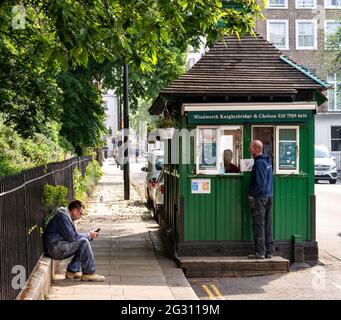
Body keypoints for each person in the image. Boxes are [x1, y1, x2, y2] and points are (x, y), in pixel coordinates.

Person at [43, 200, 105, 282]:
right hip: (54, 248)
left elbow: (74, 236)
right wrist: (88, 235)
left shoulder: (65, 217)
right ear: (75, 211)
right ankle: (89, 273)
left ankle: (72, 270)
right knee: (83, 242)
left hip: (56, 246)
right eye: (81, 213)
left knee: (82, 242)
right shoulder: (62, 218)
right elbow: (72, 237)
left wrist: (88, 235)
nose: (81, 216)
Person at [248, 140, 274, 259]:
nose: (249, 150)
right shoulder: (267, 161)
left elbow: (260, 183)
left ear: (256, 149)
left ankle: (260, 252)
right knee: (267, 224)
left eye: (250, 148)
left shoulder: (258, 163)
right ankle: (269, 251)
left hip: (260, 198)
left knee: (259, 224)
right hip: (268, 196)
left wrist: (252, 194)